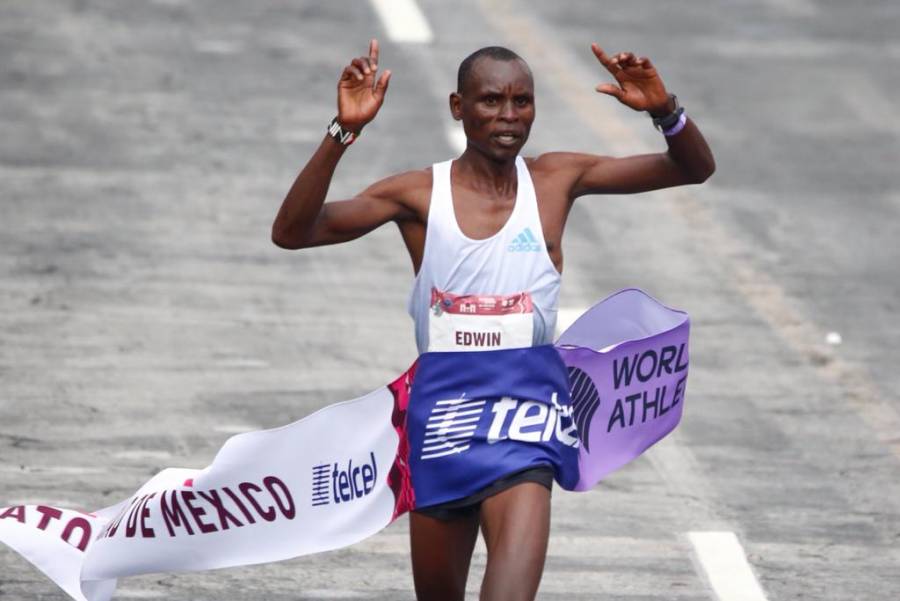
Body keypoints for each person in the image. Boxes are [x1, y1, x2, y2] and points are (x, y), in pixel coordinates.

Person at [272, 38, 714, 601]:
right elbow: (292, 233)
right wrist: (342, 132)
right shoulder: (417, 194)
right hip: (442, 425)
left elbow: (693, 169)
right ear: (458, 107)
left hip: (526, 422)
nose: (509, 117)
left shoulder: (555, 179)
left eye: (522, 102)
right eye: (491, 101)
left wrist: (664, 110)